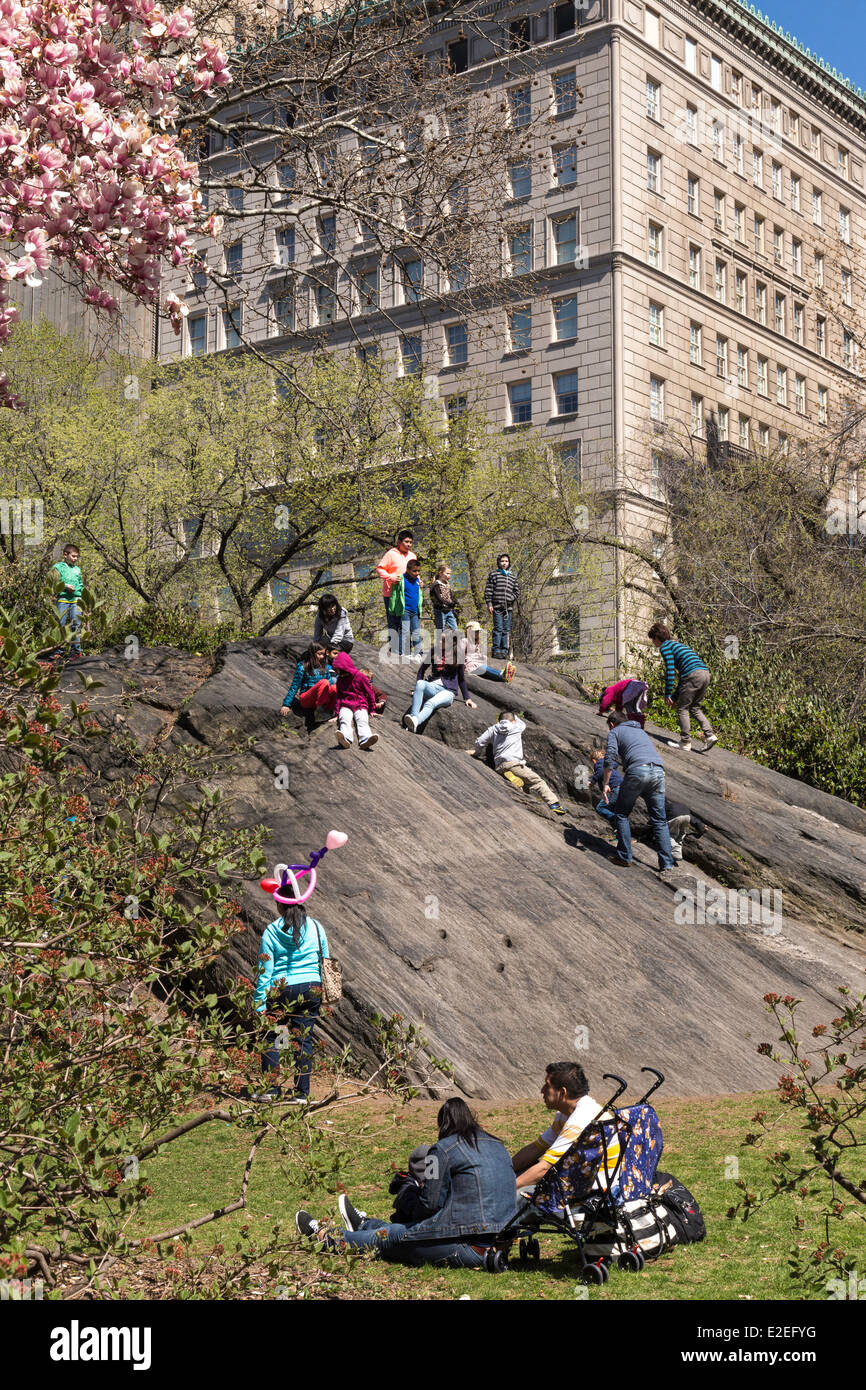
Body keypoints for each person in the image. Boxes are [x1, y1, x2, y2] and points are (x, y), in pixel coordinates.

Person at [295, 1098, 518, 1268]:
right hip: (499, 1241)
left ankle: (325, 1238)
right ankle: (365, 1224)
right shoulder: (499, 1146)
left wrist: (408, 1200)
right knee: (400, 1231)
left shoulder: (439, 1150)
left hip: (468, 1245)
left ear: (443, 1125)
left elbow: (429, 1206)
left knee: (393, 1238)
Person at [253, 876, 330, 1103]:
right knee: (303, 1039)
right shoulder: (316, 927)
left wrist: (259, 1002)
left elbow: (265, 969)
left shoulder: (271, 931)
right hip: (311, 988)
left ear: (279, 904)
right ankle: (301, 1093)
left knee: (274, 1036)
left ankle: (271, 1089)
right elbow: (324, 959)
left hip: (281, 989)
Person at [511, 1062, 620, 1193]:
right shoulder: (566, 1114)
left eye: (547, 1086)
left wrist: (505, 1189)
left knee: (513, 1198)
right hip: (582, 1177)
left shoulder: (580, 1120)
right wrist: (504, 1171)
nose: (542, 1090)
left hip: (595, 1190)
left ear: (562, 1092)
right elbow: (535, 1148)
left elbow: (545, 1168)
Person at [601, 712, 675, 875]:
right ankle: (667, 864)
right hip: (658, 771)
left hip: (637, 771)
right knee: (659, 820)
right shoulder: (641, 731)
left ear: (612, 724)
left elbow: (610, 757)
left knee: (621, 814)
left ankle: (625, 857)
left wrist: (606, 783)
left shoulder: (615, 732)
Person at [468, 710, 565, 814]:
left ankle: (514, 780)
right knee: (538, 782)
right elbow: (518, 720)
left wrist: (476, 753)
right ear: (513, 720)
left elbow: (480, 741)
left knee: (525, 787)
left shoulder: (493, 729)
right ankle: (554, 804)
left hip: (499, 766)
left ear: (500, 721)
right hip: (514, 764)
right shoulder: (518, 726)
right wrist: (512, 717)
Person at [648, 622, 718, 753]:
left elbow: (670, 671)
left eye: (652, 639)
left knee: (682, 709)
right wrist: (674, 696)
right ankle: (710, 735)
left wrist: (667, 694)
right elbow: (683, 678)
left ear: (656, 638)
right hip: (705, 674)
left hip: (692, 675)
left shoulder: (665, 647)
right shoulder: (677, 645)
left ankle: (685, 742)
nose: (653, 643)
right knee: (695, 708)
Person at [403, 640, 477, 731]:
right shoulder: (434, 650)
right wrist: (418, 690)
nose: (440, 642)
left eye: (443, 640)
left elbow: (461, 679)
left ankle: (415, 722)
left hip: (448, 691)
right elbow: (421, 670)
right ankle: (413, 718)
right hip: (433, 686)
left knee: (430, 703)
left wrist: (467, 698)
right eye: (440, 639)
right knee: (420, 683)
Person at [377, 529, 416, 656]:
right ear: (399, 541)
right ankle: (394, 651)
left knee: (406, 623)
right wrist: (391, 577)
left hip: (407, 595)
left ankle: (405, 651)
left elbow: (415, 572)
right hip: (392, 594)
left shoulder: (412, 556)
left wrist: (419, 581)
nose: (409, 545)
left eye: (411, 542)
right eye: (406, 542)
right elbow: (380, 569)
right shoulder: (391, 554)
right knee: (393, 622)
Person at [332, 652, 379, 749]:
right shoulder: (340, 680)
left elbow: (370, 693)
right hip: (346, 705)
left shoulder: (360, 677)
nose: (339, 673)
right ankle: (346, 738)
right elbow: (339, 696)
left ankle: (366, 739)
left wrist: (372, 709)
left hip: (360, 705)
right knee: (344, 719)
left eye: (340, 670)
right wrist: (337, 714)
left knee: (362, 720)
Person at [281, 643, 337, 721]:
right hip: (306, 699)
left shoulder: (325, 667)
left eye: (323, 654)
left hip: (319, 700)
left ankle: (332, 712)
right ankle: (320, 713)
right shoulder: (303, 667)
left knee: (334, 687)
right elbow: (294, 686)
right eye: (319, 654)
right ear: (312, 653)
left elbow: (331, 684)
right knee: (324, 682)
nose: (322, 657)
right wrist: (286, 704)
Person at [386, 556, 424, 659]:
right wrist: (392, 608)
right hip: (405, 610)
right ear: (408, 570)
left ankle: (417, 653)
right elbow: (394, 594)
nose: (417, 573)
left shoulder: (417, 581)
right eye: (414, 571)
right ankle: (404, 652)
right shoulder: (401, 579)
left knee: (416, 631)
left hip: (415, 610)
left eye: (418, 571)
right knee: (405, 631)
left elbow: (419, 595)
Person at [51, 542, 83, 659]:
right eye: (73, 556)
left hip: (76, 600)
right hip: (63, 599)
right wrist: (65, 586)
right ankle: (58, 651)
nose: (75, 559)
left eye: (77, 557)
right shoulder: (57, 567)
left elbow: (80, 584)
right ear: (65, 554)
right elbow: (53, 581)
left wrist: (81, 597)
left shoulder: (77, 570)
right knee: (60, 625)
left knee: (76, 625)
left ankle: (76, 651)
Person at [484, 553, 519, 660]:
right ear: (499, 562)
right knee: (498, 628)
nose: (504, 563)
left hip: (508, 608)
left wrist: (510, 598)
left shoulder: (512, 576)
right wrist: (490, 604)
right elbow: (488, 590)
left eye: (506, 561)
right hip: (497, 607)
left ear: (509, 563)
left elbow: (516, 591)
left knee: (506, 629)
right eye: (502, 561)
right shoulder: (494, 575)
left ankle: (504, 651)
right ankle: (496, 650)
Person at [589, 746, 623, 834]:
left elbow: (600, 772)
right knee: (614, 811)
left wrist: (592, 781)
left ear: (593, 760)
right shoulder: (610, 764)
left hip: (615, 789)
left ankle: (617, 820)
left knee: (600, 808)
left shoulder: (600, 764)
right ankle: (619, 834)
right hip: (623, 788)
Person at [430, 564, 458, 633]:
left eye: (450, 574)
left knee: (455, 629)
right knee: (441, 630)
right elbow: (439, 598)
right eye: (447, 573)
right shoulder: (436, 584)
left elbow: (451, 596)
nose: (449, 575)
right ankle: (439, 643)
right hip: (440, 610)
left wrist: (454, 603)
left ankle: (455, 642)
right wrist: (449, 603)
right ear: (440, 573)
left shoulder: (447, 584)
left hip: (449, 610)